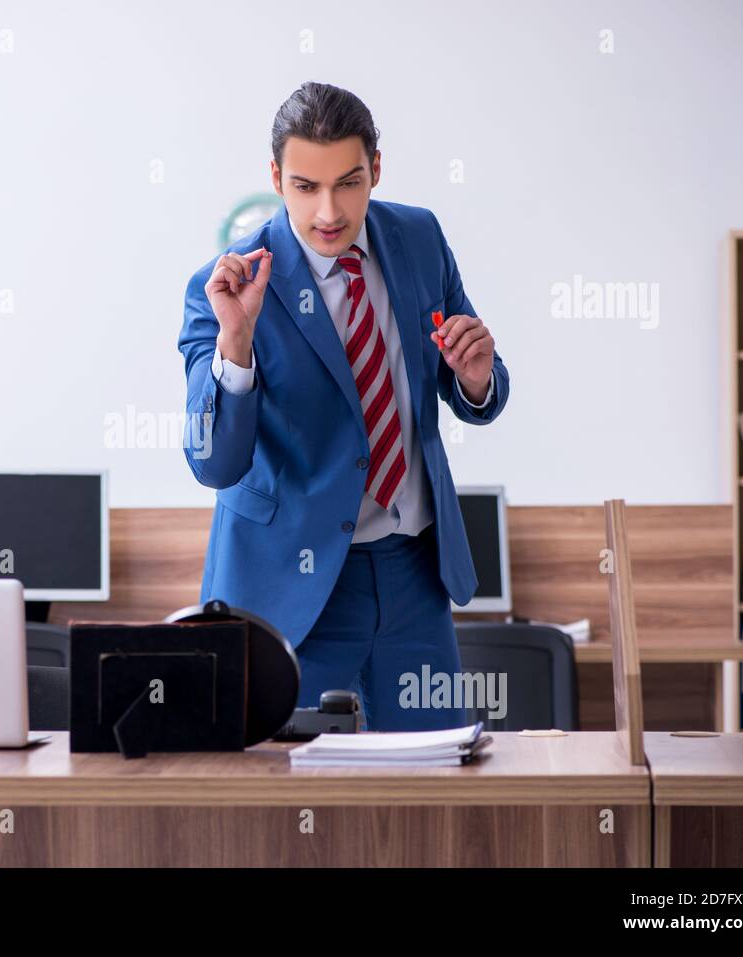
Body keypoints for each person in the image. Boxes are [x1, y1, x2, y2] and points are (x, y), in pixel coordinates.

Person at [177, 81, 510, 731]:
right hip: (289, 589)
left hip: (414, 575)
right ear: (276, 177)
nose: (328, 210)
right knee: (292, 807)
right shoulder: (223, 286)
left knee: (439, 782)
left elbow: (472, 384)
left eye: (348, 183)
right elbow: (213, 463)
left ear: (375, 169)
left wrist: (475, 378)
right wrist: (236, 345)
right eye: (305, 186)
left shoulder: (418, 238)